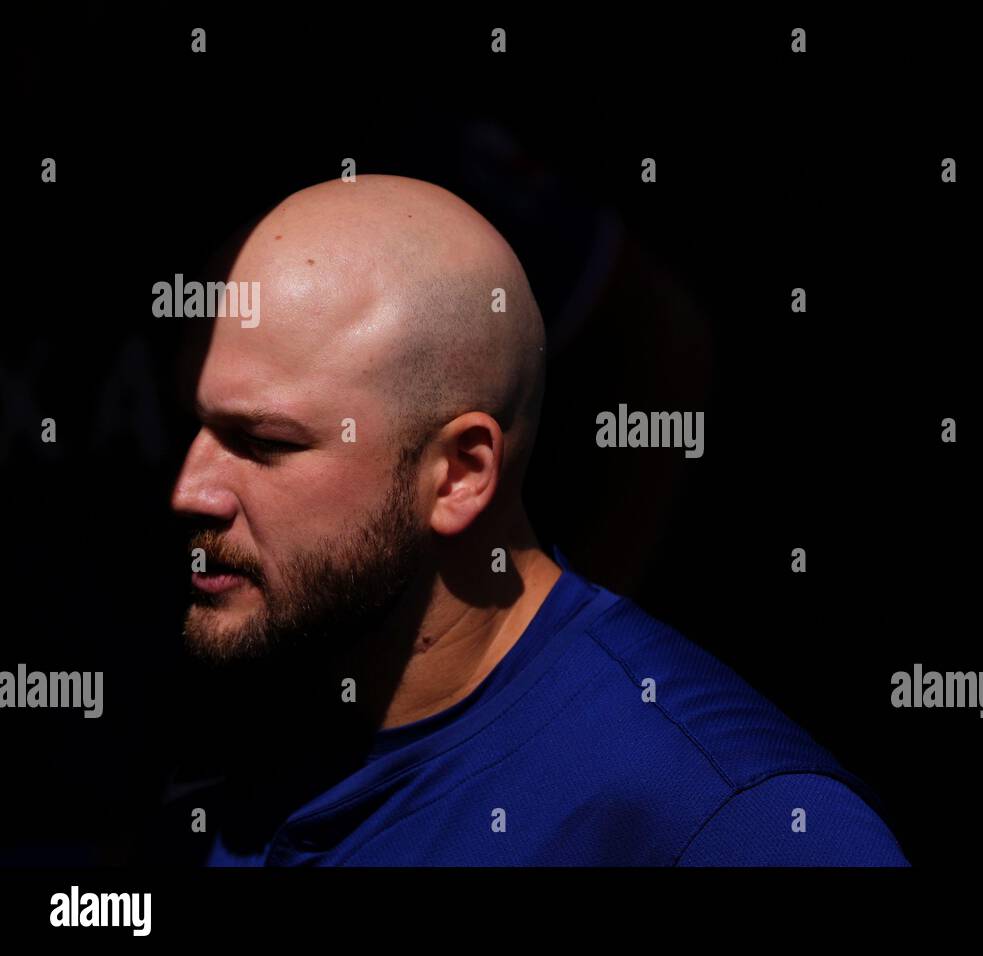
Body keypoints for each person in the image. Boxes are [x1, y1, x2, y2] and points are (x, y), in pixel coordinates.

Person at [160, 174, 908, 866]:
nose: (190, 489)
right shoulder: (223, 723)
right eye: (192, 426)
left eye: (263, 443)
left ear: (459, 474)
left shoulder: (728, 821)